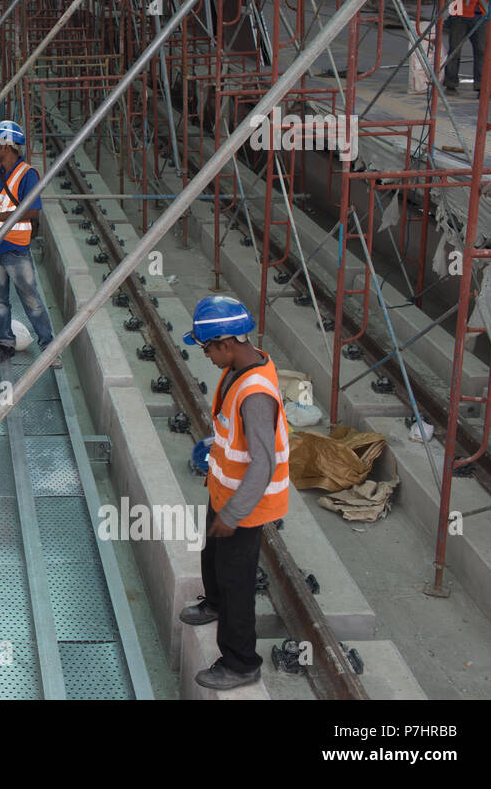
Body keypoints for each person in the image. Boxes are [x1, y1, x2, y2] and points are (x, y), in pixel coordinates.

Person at [178, 295, 290, 690]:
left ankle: (241, 662)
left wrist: (232, 515)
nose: (205, 354)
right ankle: (214, 603)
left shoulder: (256, 393)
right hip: (224, 490)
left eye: (207, 347)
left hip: (247, 504)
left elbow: (263, 464)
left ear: (227, 343)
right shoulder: (237, 369)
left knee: (237, 579)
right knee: (212, 556)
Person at [0, 120, 60, 368]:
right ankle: (5, 345)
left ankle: (49, 348)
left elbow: (31, 211)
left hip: (15, 249)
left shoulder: (27, 175)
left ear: (6, 145)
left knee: (31, 300)